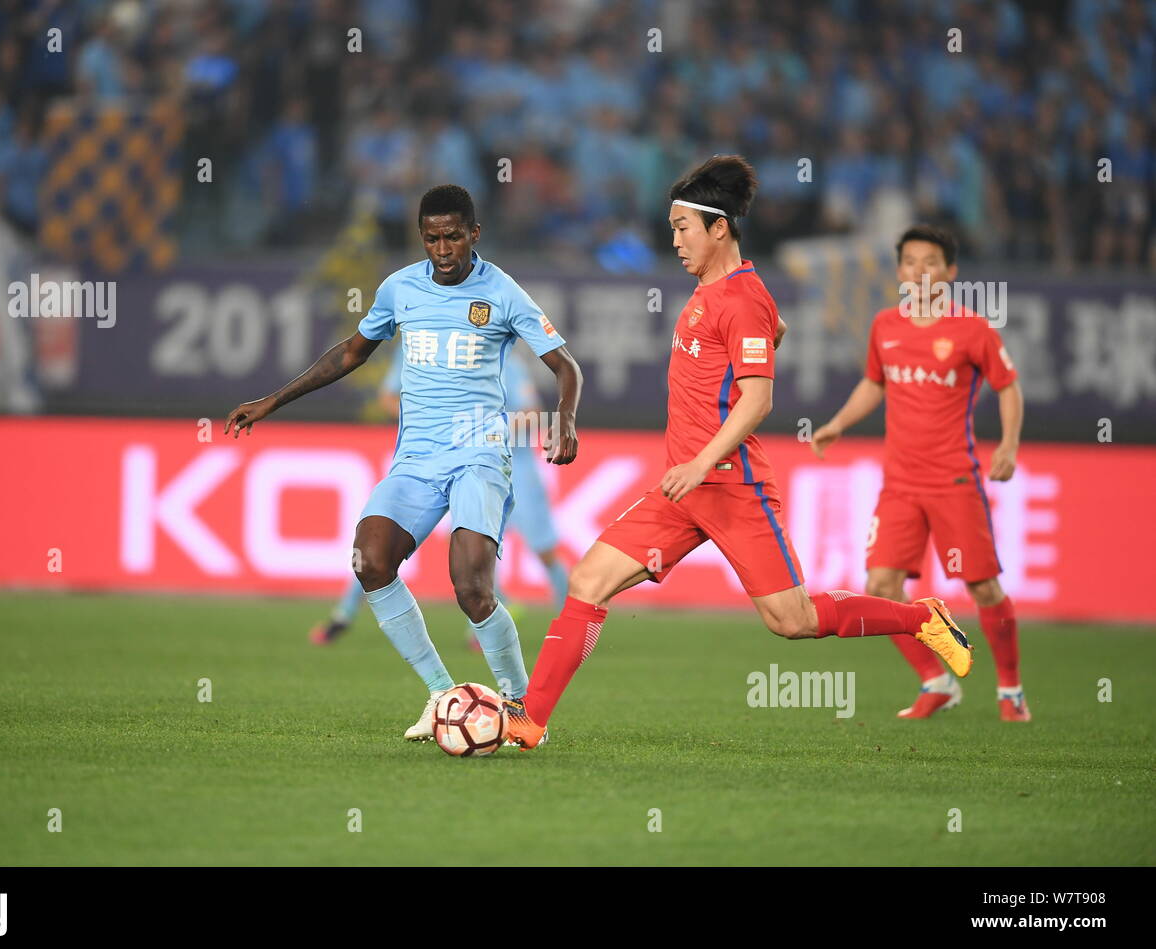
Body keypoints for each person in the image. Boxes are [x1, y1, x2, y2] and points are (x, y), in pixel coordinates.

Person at [504, 156, 972, 750]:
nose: (674, 240)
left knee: (792, 621)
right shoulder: (719, 292)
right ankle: (531, 721)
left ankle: (921, 617)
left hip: (730, 485)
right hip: (681, 492)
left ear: (718, 228)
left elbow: (757, 402)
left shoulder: (740, 298)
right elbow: (764, 339)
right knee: (589, 580)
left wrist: (702, 461)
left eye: (682, 228)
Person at [226, 184, 582, 740]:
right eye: (433, 238)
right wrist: (272, 399)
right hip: (415, 459)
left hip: (479, 454)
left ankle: (519, 708)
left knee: (470, 587)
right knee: (369, 561)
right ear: (423, 238)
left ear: (474, 234)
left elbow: (566, 368)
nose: (443, 248)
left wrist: (563, 421)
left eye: (454, 236)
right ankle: (442, 695)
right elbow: (350, 353)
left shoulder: (504, 293)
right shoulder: (401, 289)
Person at [811, 225, 1029, 721]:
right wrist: (837, 424)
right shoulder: (885, 325)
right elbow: (874, 382)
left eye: (930, 262)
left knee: (982, 588)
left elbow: (1008, 387)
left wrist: (1010, 445)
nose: (918, 271)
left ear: (950, 272)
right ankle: (936, 680)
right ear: (899, 271)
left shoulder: (973, 329)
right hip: (900, 485)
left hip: (954, 480)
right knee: (880, 584)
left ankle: (1011, 690)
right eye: (909, 262)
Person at [308, 345, 571, 646]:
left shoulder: (494, 355)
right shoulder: (414, 349)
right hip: (435, 461)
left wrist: (477, 430)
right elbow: (389, 397)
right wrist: (432, 421)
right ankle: (344, 614)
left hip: (511, 467)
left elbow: (532, 415)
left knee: (542, 551)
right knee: (387, 533)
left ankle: (568, 624)